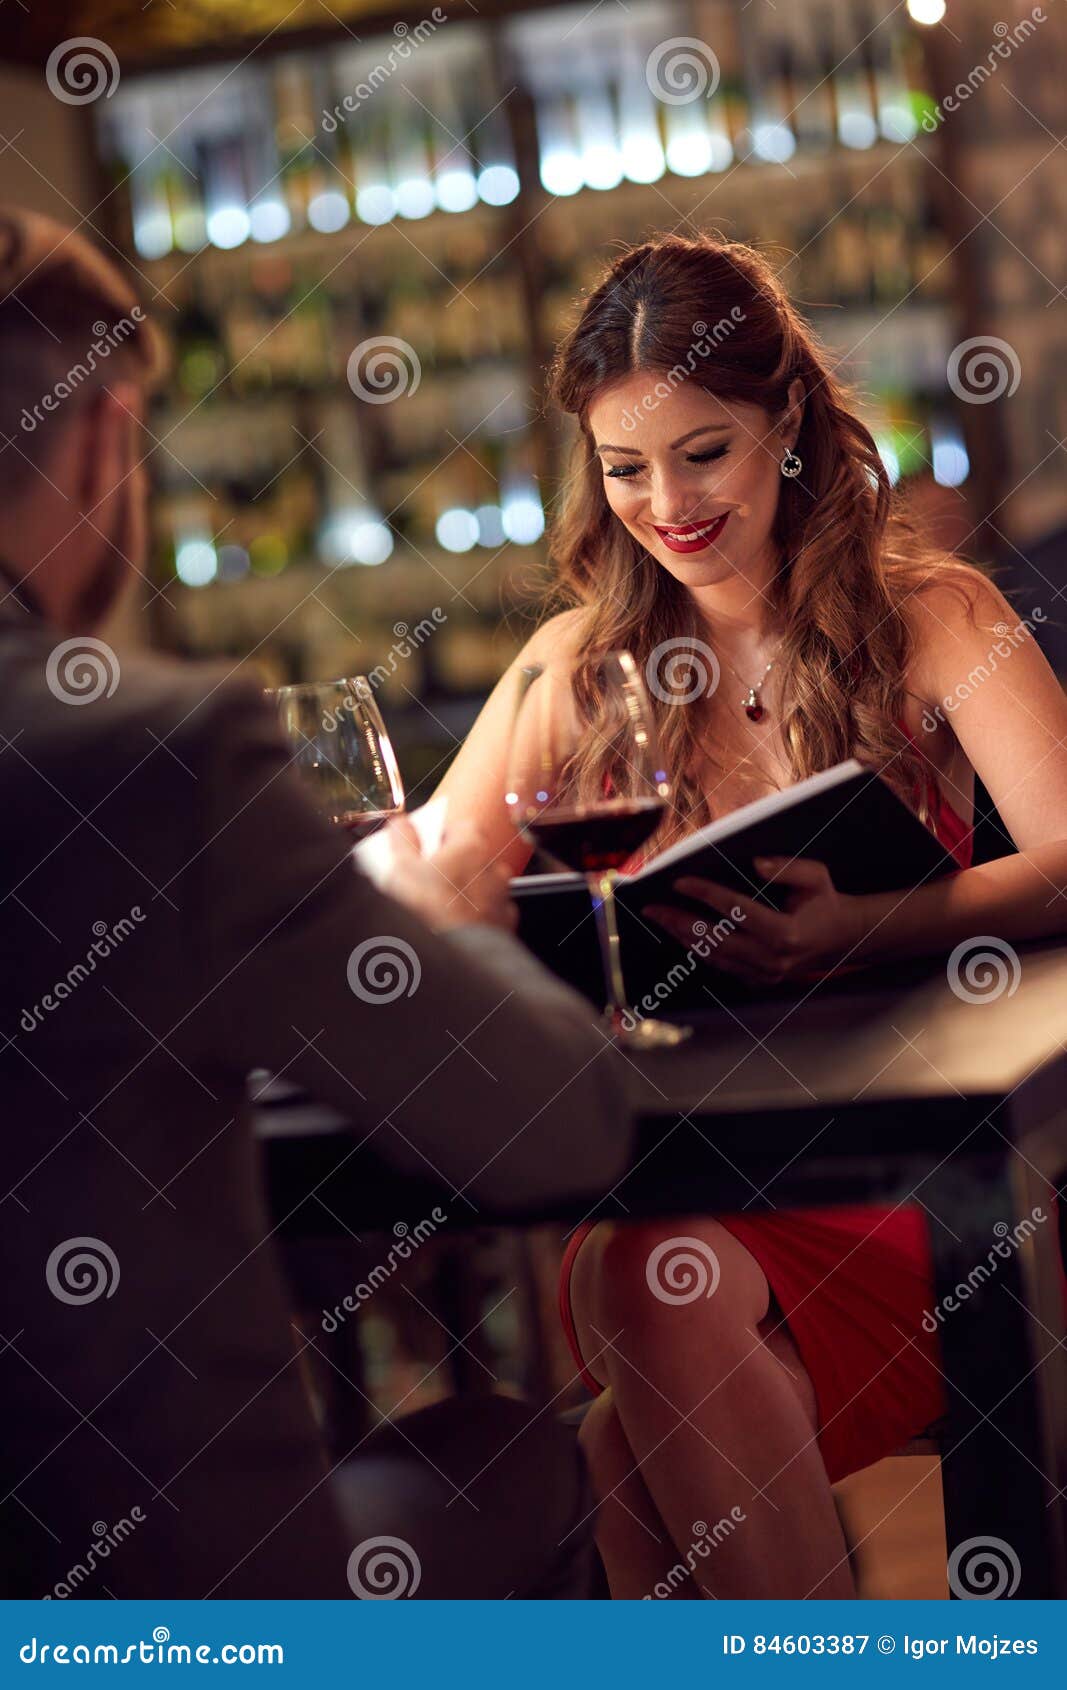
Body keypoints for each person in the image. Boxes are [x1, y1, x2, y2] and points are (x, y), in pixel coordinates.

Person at [0, 207, 634, 1600]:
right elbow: (555, 1122)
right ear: (105, 433)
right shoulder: (153, 760)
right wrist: (438, 919)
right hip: (168, 1591)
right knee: (515, 1450)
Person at [436, 233, 1067, 1598]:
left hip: (920, 1181)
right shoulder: (579, 665)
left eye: (703, 451)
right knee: (634, 1299)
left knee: (624, 1425)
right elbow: (436, 879)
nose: (666, 503)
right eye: (624, 467)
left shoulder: (930, 614)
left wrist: (864, 926)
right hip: (692, 1170)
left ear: (786, 421)